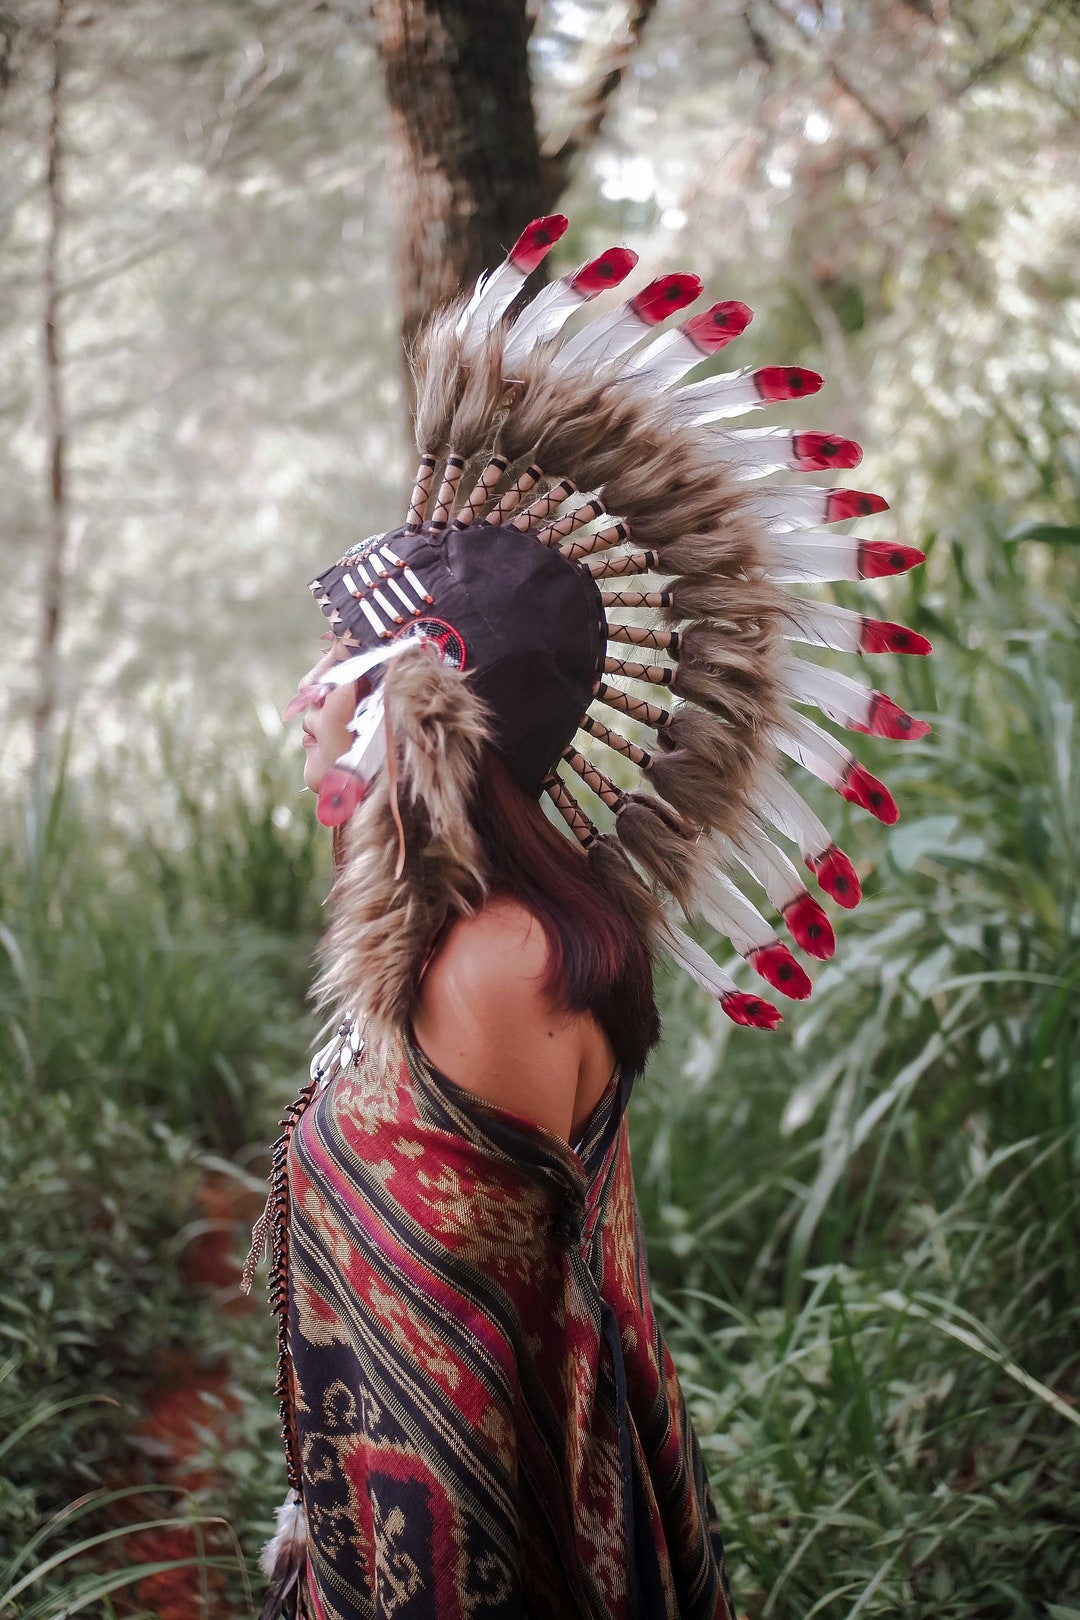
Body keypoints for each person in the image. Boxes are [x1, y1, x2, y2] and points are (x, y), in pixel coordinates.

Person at [248, 215, 930, 1620]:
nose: (311, 690)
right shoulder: (486, 930)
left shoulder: (496, 970)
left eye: (342, 668)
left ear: (425, 724)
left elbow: (464, 1362)